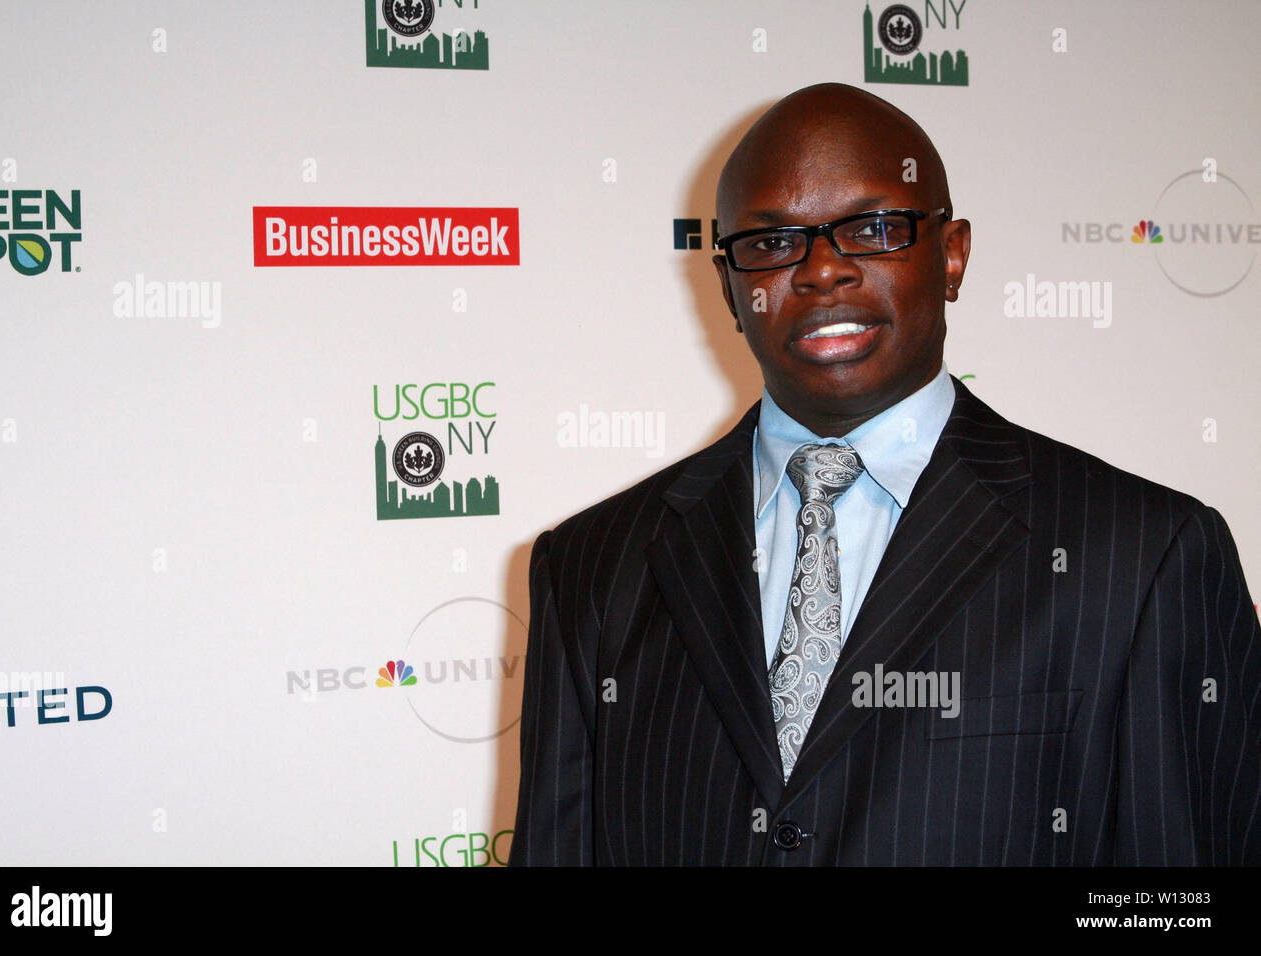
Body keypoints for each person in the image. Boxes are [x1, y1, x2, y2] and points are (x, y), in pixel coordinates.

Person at [510, 83, 1260, 866]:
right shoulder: (593, 565)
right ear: (731, 288)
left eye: (872, 229)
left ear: (953, 253)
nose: (821, 271)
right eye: (771, 243)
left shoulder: (1143, 554)